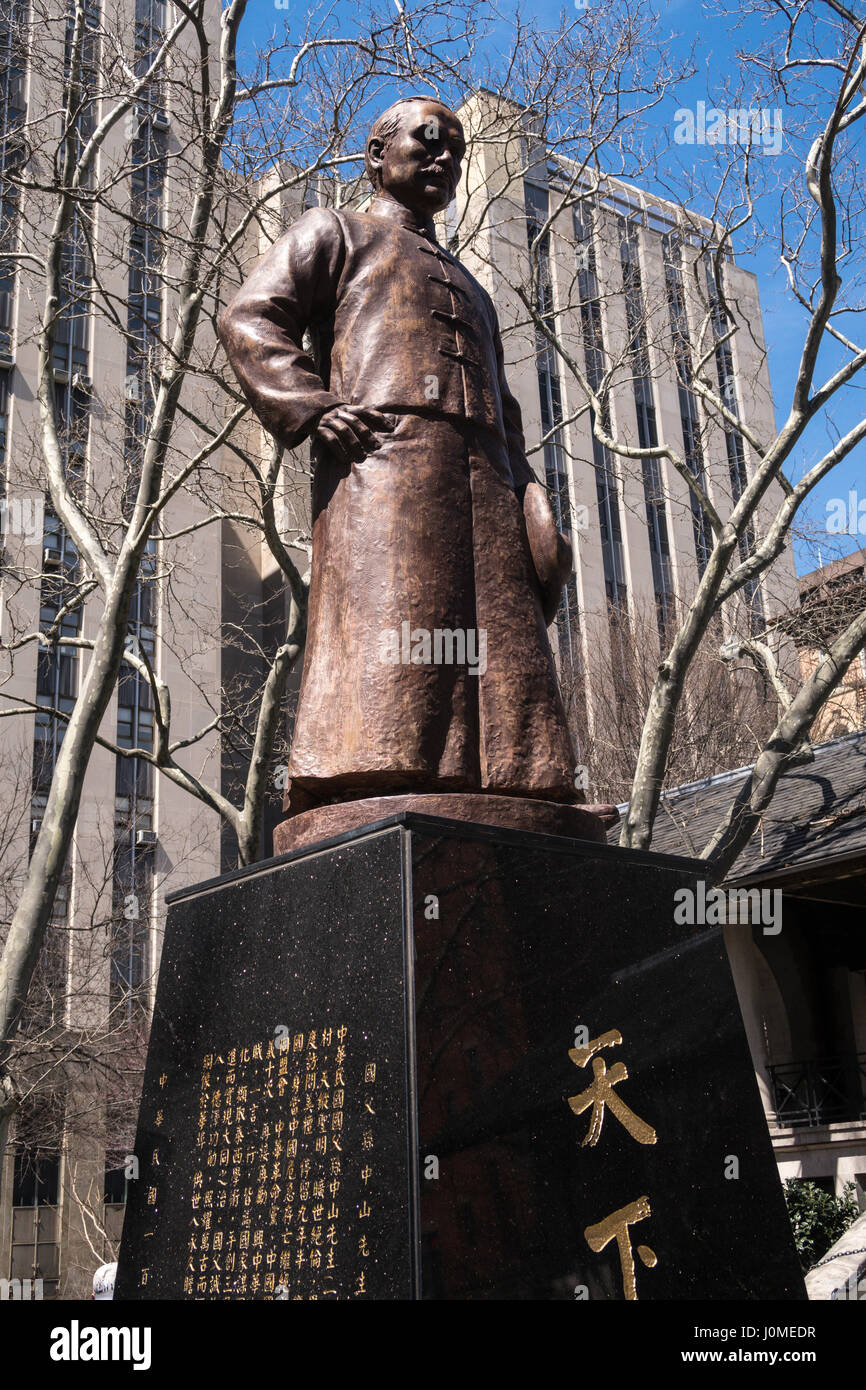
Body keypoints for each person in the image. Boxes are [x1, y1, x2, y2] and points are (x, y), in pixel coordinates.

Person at [219, 96, 582, 817]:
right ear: (377, 155)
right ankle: (374, 778)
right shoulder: (339, 232)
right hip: (387, 464)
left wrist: (529, 489)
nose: (444, 155)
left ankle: (526, 784)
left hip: (487, 472)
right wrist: (312, 405)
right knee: (398, 638)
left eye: (455, 145)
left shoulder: (473, 284)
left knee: (504, 640)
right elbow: (250, 315)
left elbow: (504, 404)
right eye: (427, 140)